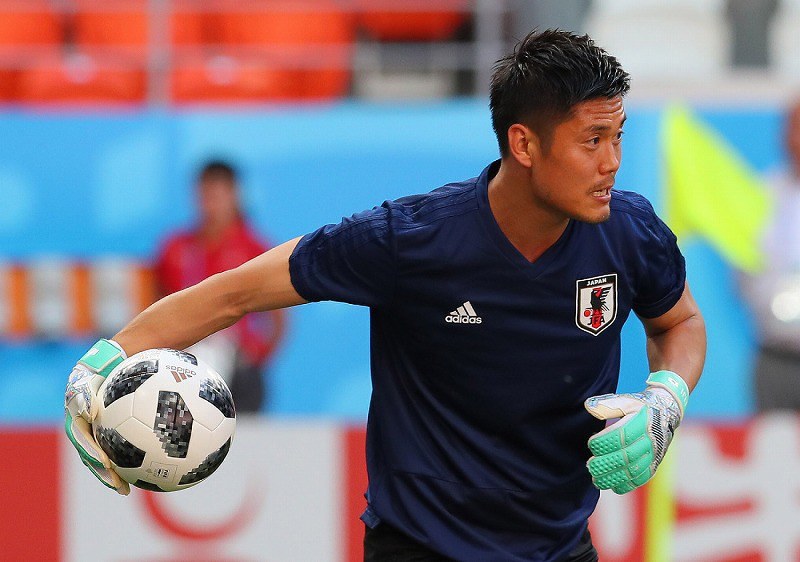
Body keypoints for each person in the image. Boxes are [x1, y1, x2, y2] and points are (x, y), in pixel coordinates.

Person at [65, 29, 706, 561]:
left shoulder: (629, 232)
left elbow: (680, 323)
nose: (612, 161)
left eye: (618, 137)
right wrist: (105, 360)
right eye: (592, 140)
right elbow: (235, 294)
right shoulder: (409, 239)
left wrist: (666, 399)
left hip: (560, 548)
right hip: (420, 547)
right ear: (524, 144)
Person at [154, 160, 285, 413]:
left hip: (238, 370)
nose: (210, 204)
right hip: (182, 365)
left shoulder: (254, 248)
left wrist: (257, 356)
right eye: (205, 196)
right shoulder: (174, 248)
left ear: (234, 196)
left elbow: (279, 317)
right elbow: (155, 306)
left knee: (241, 431)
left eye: (217, 196)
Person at [741, 98, 800, 411]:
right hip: (776, 354)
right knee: (774, 440)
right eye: (796, 129)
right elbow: (743, 269)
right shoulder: (760, 195)